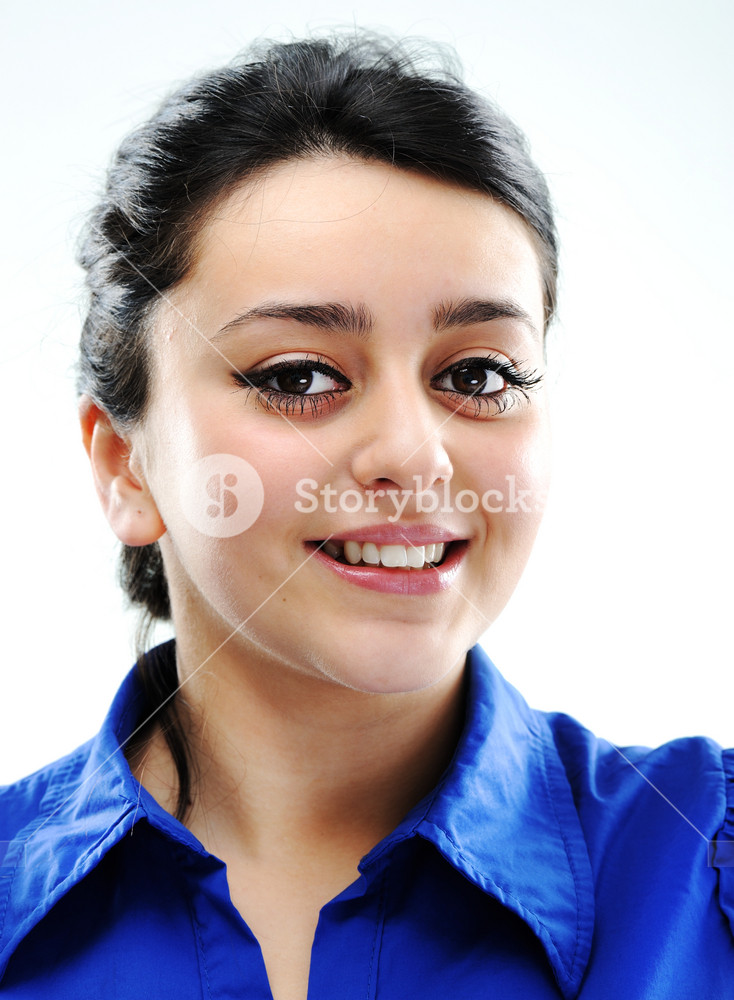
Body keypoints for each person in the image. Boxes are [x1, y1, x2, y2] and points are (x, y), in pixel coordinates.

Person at [0, 31, 732, 1000]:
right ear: (124, 466)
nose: (412, 453)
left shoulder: (704, 862)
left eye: (476, 373)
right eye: (298, 376)